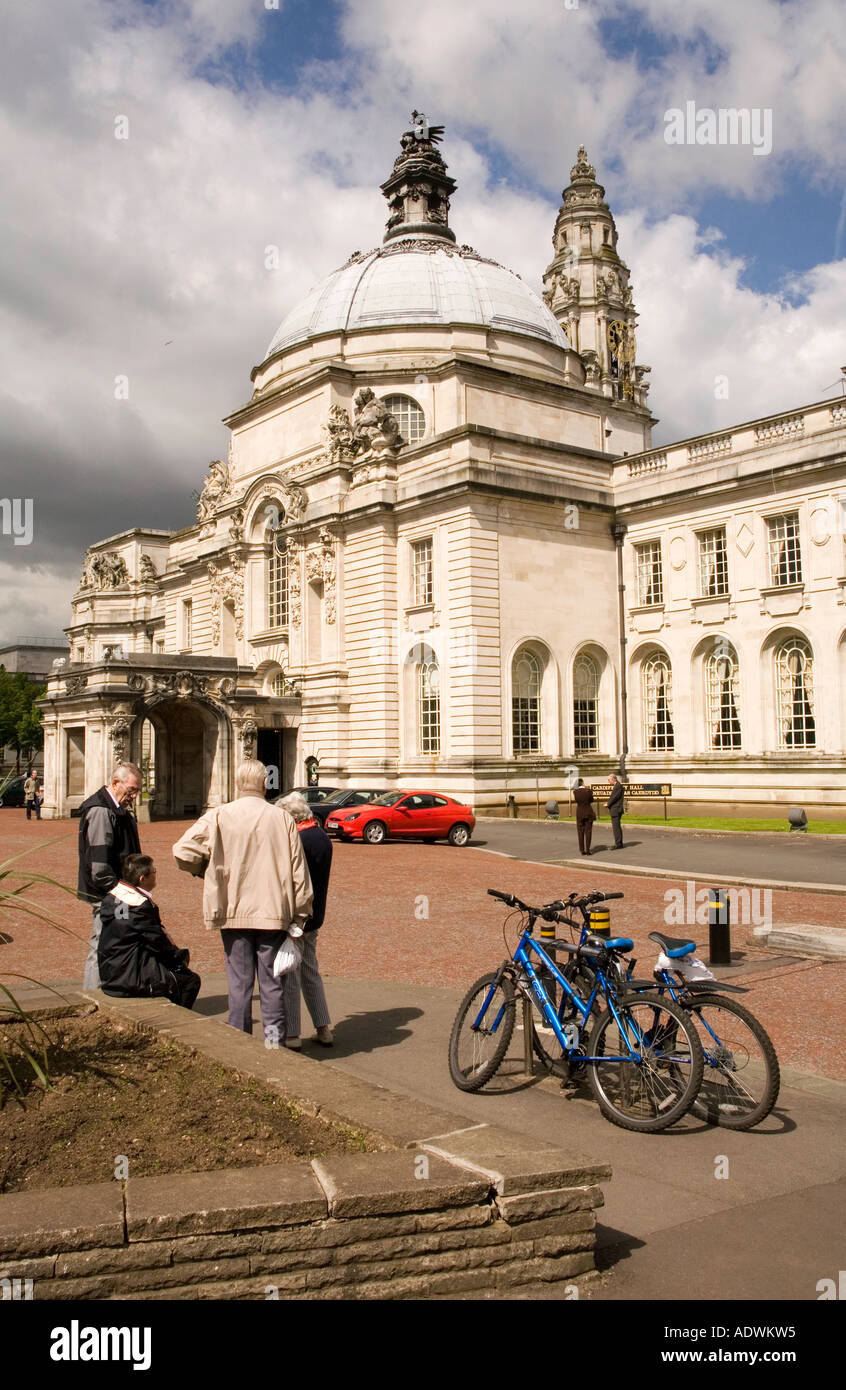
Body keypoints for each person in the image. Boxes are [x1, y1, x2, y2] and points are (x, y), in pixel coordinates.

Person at [172, 760, 313, 1046]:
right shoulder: (282, 818)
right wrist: (301, 913)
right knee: (272, 986)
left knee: (239, 985)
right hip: (273, 912)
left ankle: (239, 1046)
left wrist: (205, 869)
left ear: (237, 784)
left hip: (232, 909)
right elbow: (300, 872)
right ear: (264, 784)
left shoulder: (220, 815)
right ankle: (273, 1044)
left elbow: (182, 851)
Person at [98, 853, 200, 1008]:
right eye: (154, 872)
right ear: (142, 879)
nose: (155, 875)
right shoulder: (139, 907)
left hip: (111, 973)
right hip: (129, 978)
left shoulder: (112, 898)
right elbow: (158, 943)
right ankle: (176, 1022)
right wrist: (180, 959)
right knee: (190, 981)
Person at [276, 791, 333, 1050]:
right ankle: (323, 1028)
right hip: (316, 915)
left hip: (297, 917)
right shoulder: (321, 836)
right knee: (311, 971)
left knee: (290, 975)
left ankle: (292, 1034)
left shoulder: (298, 840)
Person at [78, 762, 142, 990]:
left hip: (117, 891)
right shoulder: (101, 811)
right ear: (115, 783)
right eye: (132, 790)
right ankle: (93, 997)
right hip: (108, 893)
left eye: (137, 791)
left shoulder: (115, 809)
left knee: (115, 943)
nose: (134, 796)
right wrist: (124, 893)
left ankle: (110, 992)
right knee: (102, 944)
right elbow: (99, 867)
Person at [573, 778, 596, 856]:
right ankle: (588, 850)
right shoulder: (588, 791)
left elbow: (577, 801)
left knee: (580, 831)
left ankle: (582, 850)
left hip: (579, 813)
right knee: (588, 831)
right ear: (582, 783)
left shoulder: (575, 792)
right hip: (588, 812)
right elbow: (592, 800)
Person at [607, 774, 625, 849]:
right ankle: (619, 843)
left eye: (609, 780)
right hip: (616, 809)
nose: (608, 782)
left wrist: (608, 804)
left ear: (613, 779)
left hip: (616, 809)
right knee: (617, 826)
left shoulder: (617, 786)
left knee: (616, 827)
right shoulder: (618, 786)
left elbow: (614, 797)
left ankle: (618, 844)